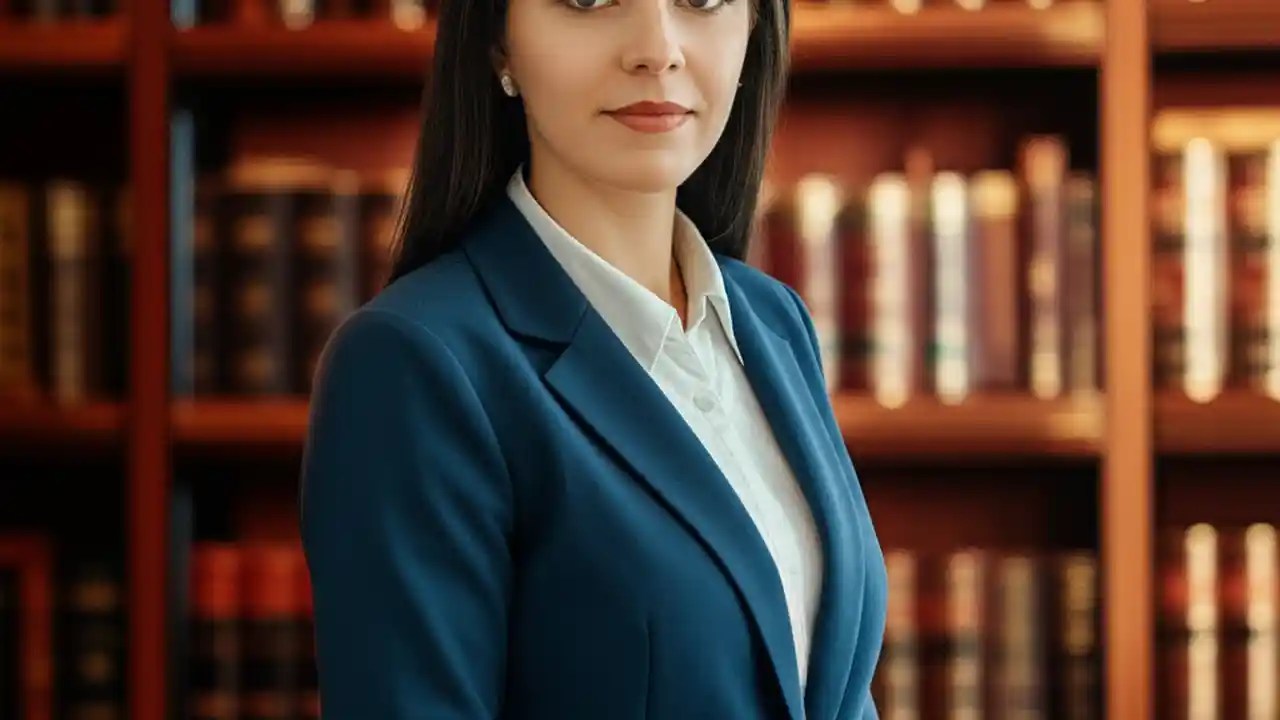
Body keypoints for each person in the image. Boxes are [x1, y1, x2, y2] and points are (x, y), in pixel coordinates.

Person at [298, 0, 887, 717]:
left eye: (702, 2)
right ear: (497, 45)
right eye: (587, 0)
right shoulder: (413, 364)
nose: (657, 49)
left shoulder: (774, 323)